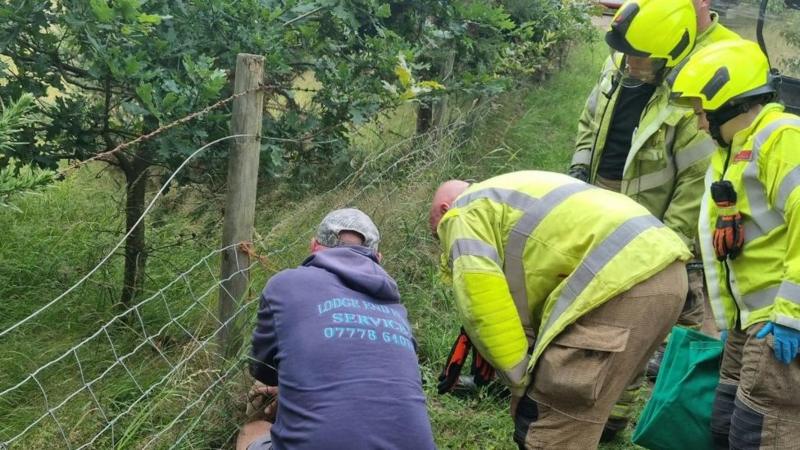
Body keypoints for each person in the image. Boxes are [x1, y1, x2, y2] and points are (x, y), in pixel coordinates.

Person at [569, 0, 741, 437]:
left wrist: (672, 244)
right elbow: (592, 117)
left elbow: (698, 177)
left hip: (658, 223)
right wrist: (578, 172)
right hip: (600, 198)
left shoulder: (714, 61)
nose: (631, 65)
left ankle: (657, 421)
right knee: (596, 308)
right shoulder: (636, 36)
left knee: (645, 323)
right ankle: (595, 405)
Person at [429, 170, 691, 448]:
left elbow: (484, 307)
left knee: (544, 419)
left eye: (437, 234)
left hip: (623, 282)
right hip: (668, 267)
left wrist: (522, 384)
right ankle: (608, 428)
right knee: (616, 367)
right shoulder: (510, 192)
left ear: (444, 210)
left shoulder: (461, 214)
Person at [668, 39, 800, 449]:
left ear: (729, 103)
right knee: (725, 426)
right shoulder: (732, 151)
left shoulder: (781, 140)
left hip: (778, 325)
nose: (700, 124)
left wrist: (792, 316)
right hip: (750, 324)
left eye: (703, 113)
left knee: (760, 435)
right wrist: (729, 323)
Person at [239, 208, 436, 450]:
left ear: (314, 246)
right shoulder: (396, 309)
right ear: (378, 258)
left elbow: (263, 371)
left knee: (251, 431)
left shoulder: (285, 285)